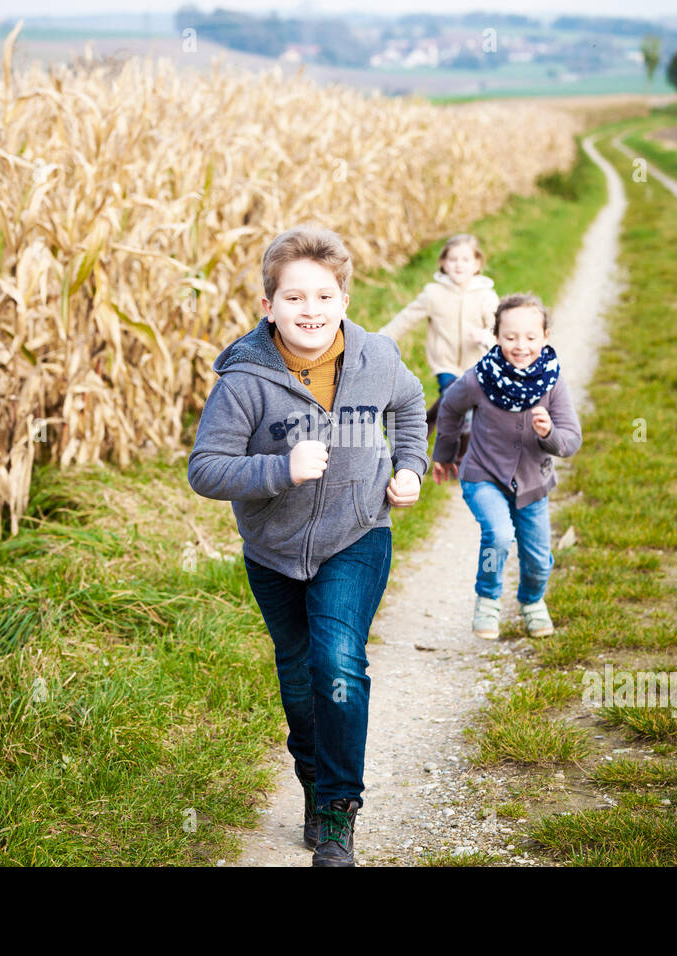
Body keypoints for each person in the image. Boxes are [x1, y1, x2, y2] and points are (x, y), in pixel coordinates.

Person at [187, 225, 430, 866]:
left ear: (344, 299)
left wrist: (410, 467)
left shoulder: (377, 358)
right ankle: (313, 782)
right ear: (268, 307)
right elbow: (205, 469)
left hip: (357, 534)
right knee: (299, 679)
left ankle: (336, 809)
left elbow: (410, 403)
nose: (311, 311)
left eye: (324, 297)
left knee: (339, 663)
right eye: (294, 299)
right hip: (273, 552)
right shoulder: (244, 381)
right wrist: (279, 469)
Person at [430, 293, 582, 640]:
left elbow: (571, 439)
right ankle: (487, 600)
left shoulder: (552, 382)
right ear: (496, 336)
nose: (520, 346)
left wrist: (549, 434)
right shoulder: (479, 379)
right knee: (498, 535)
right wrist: (446, 453)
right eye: (510, 337)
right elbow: (450, 408)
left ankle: (532, 602)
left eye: (530, 337)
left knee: (539, 559)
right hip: (483, 476)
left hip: (533, 483)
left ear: (545, 337)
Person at [377, 233, 499, 460]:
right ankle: (461, 457)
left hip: (476, 364)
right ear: (443, 263)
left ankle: (426, 423)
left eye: (465, 260)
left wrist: (486, 336)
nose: (458, 265)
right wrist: (380, 339)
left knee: (463, 404)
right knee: (458, 402)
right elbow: (407, 318)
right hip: (445, 363)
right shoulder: (433, 293)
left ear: (477, 264)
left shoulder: (486, 295)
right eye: (452, 259)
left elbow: (496, 325)